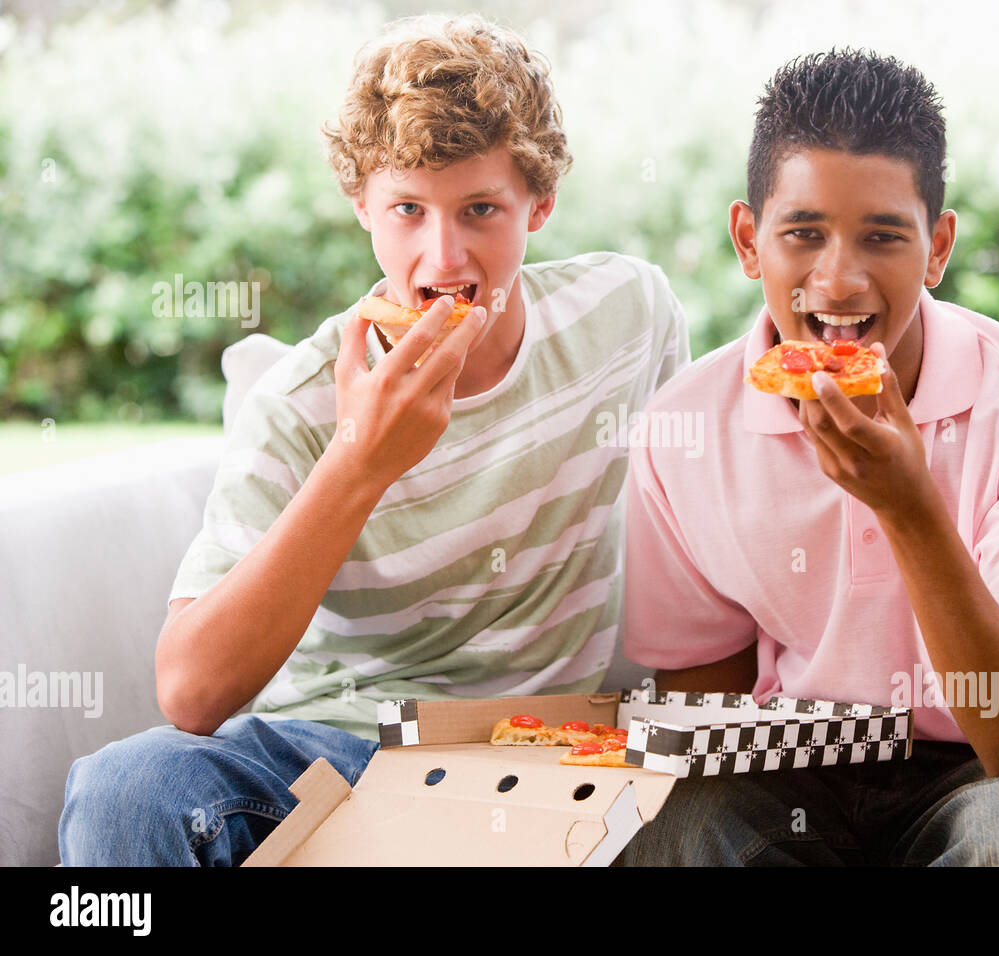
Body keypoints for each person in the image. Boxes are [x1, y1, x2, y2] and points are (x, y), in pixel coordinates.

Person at [59, 13, 690, 866]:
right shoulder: (297, 403)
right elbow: (191, 692)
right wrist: (359, 460)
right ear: (361, 205)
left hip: (535, 753)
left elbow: (700, 519)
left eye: (480, 209)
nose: (444, 258)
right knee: (128, 788)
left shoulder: (627, 316)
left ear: (539, 202)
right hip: (329, 749)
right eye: (406, 210)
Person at [616, 49, 999, 866]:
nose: (841, 280)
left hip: (995, 773)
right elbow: (704, 698)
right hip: (800, 768)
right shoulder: (684, 424)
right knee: (674, 826)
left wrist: (907, 506)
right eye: (804, 234)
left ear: (937, 247)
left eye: (883, 237)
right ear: (749, 241)